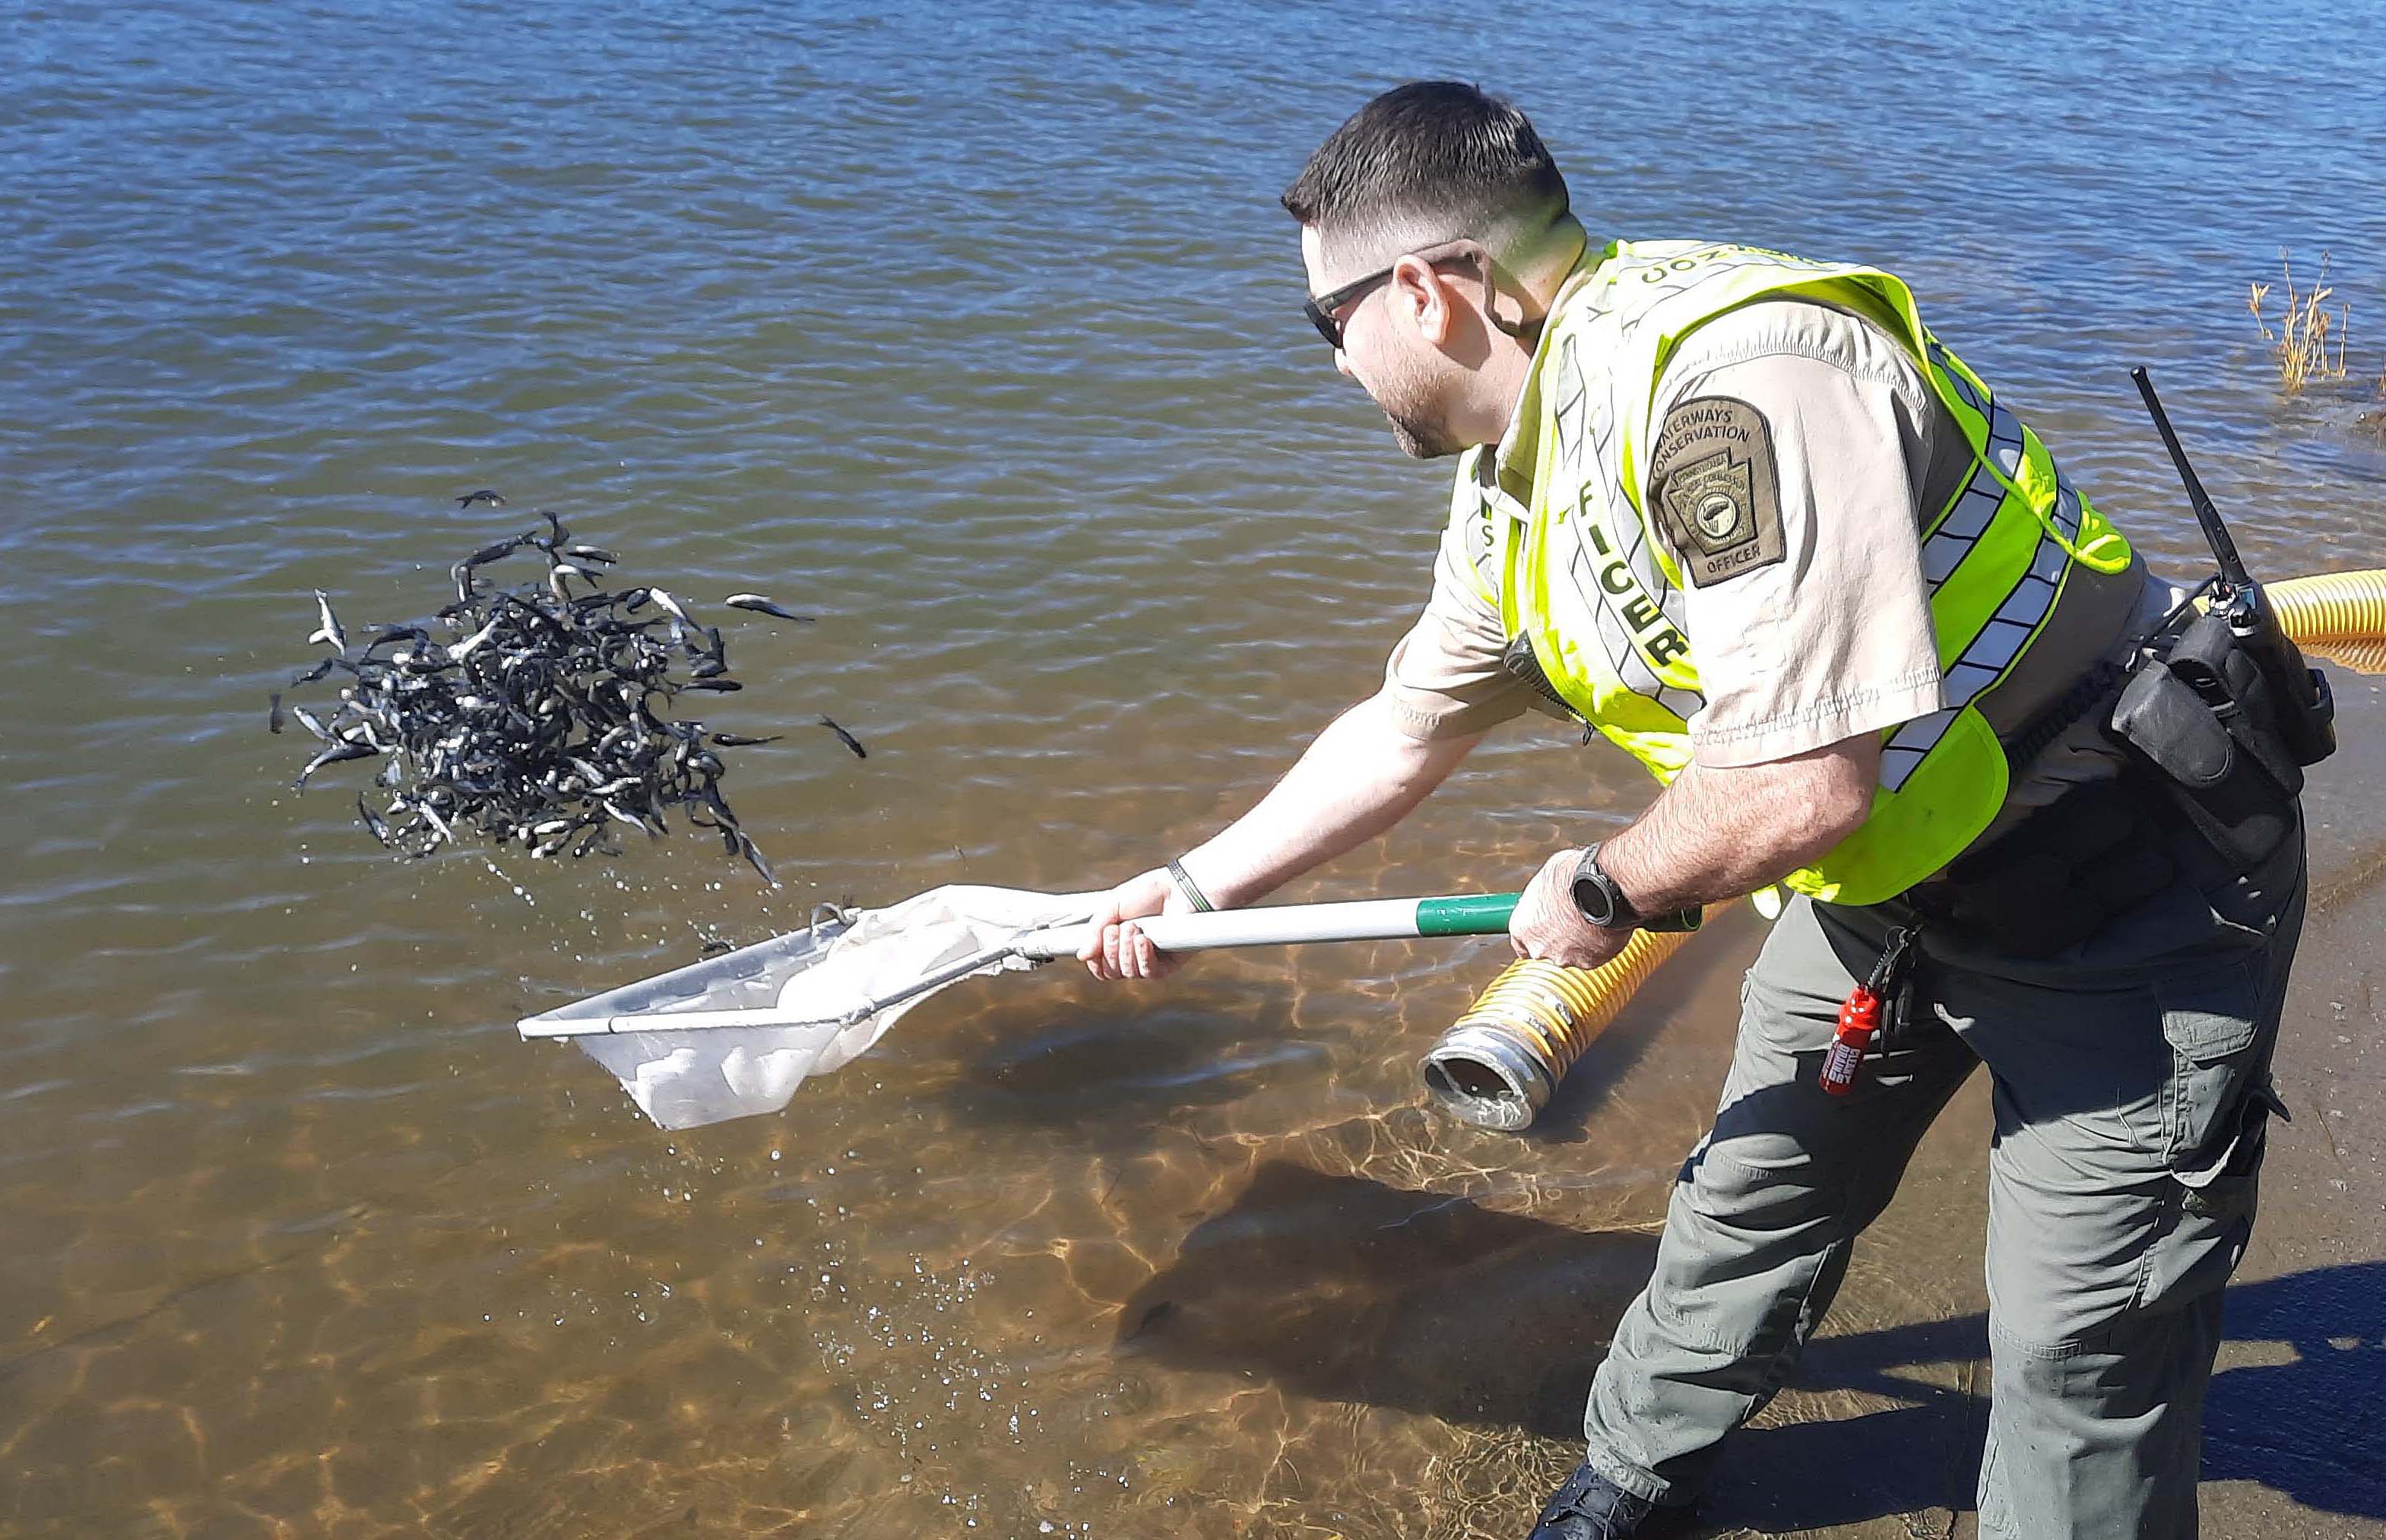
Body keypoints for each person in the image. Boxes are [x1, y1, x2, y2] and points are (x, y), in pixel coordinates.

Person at [1076, 81, 2307, 1540]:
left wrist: (1603, 888)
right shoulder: (1516, 475)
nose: (1332, 362)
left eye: (1321, 325)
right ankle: (1631, 1479)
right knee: (1745, 1202)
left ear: (1419, 292)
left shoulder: (1737, 382)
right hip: (1881, 892)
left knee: (2081, 1354)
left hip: (2125, 902)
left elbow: (1798, 781)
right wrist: (1193, 887)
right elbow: (1407, 729)